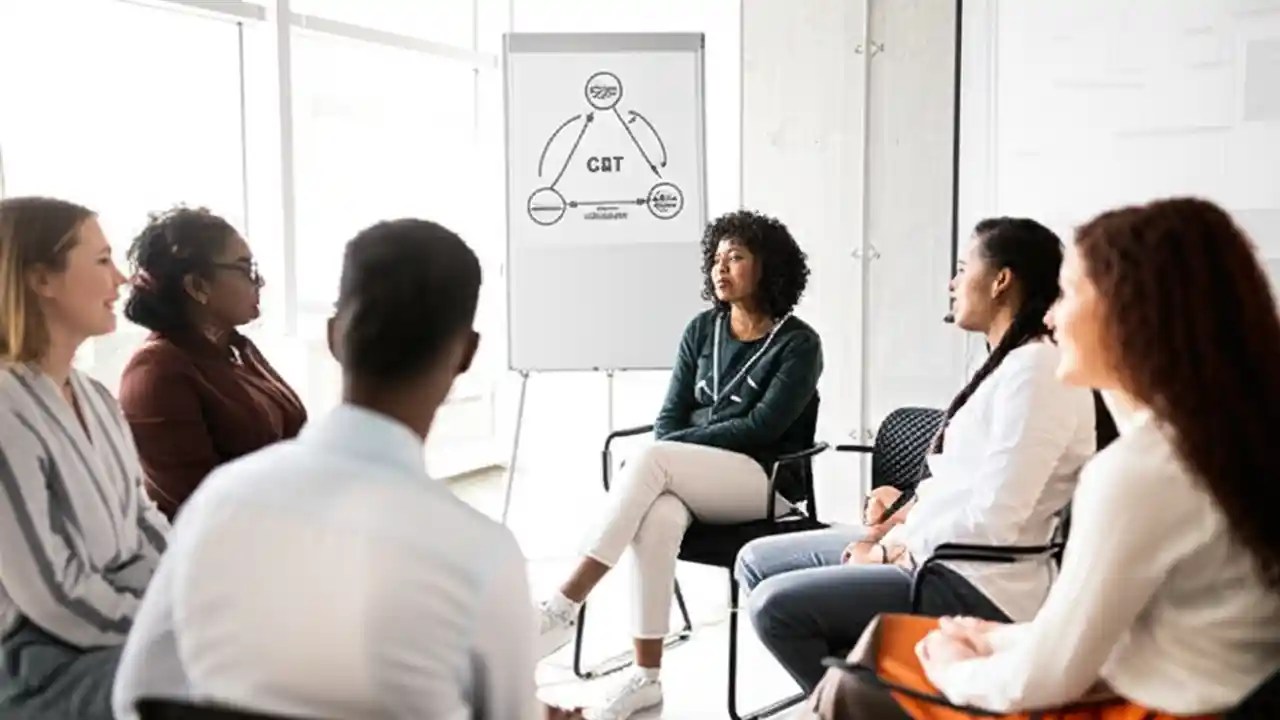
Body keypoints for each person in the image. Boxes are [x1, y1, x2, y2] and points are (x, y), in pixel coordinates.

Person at [804, 197, 1280, 719]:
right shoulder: (1221, 443)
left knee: (859, 681)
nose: (1050, 315)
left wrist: (954, 666)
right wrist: (1006, 640)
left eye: (1068, 294)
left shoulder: (1140, 473)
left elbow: (1050, 675)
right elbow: (1133, 639)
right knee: (888, 644)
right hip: (1173, 690)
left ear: (1129, 311)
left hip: (1149, 707)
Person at [112, 219, 580, 720]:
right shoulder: (481, 557)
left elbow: (136, 698)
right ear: (466, 354)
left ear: (335, 337)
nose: (257, 283)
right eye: (246, 270)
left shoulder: (221, 502)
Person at [734, 217, 1099, 692]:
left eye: (963, 267)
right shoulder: (998, 362)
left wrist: (888, 550)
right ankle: (874, 691)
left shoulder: (1035, 370)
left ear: (1001, 280)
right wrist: (891, 529)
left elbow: (998, 517)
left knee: (775, 608)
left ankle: (866, 702)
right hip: (928, 551)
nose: (952, 282)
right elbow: (956, 484)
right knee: (755, 561)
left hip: (975, 579)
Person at [534, 209, 823, 719]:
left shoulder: (799, 344)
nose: (721, 269)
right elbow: (666, 418)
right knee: (660, 513)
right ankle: (647, 677)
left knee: (652, 460)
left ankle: (565, 605)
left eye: (736, 257)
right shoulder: (701, 330)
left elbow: (760, 429)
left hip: (762, 481)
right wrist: (685, 444)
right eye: (715, 259)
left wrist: (684, 442)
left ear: (769, 268)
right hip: (690, 475)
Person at [0, 196, 169, 720]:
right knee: (223, 676)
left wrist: (190, 591)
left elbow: (144, 519)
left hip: (120, 626)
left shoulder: (95, 395)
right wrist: (168, 623)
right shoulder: (5, 410)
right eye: (101, 261)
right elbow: (53, 595)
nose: (120, 279)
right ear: (41, 280)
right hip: (40, 663)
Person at [118, 206, 306, 519]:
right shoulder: (157, 372)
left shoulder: (237, 349)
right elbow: (200, 506)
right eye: (245, 268)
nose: (258, 282)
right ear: (197, 286)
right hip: (225, 555)